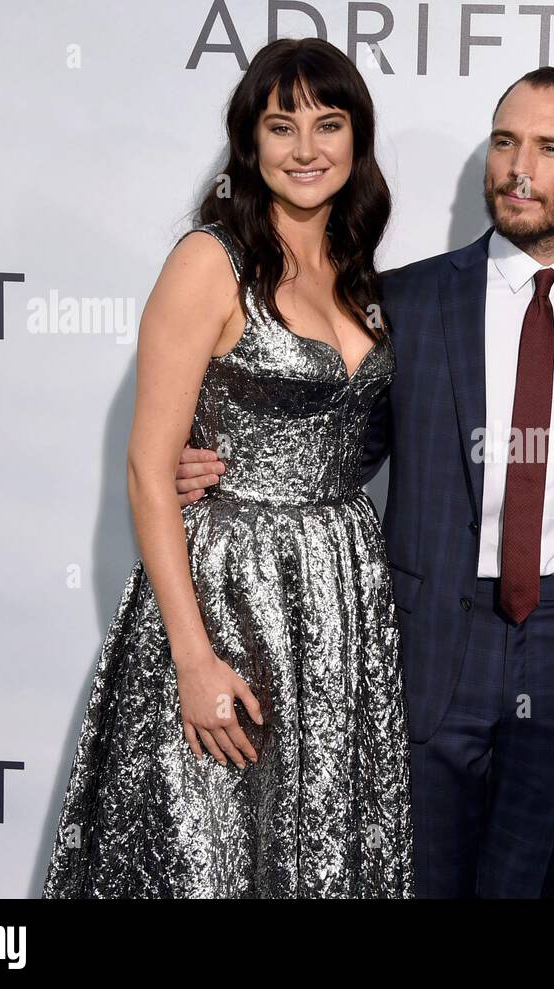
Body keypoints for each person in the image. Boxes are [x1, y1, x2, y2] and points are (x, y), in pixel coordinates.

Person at [177, 67, 554, 898]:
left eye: (550, 147)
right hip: (427, 638)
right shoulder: (401, 301)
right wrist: (209, 458)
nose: (519, 167)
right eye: (505, 141)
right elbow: (338, 446)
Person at [42, 38, 413, 898]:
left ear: (357, 139)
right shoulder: (209, 262)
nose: (307, 148)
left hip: (340, 596)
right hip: (229, 589)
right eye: (281, 127)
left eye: (329, 124)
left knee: (315, 839)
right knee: (210, 844)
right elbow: (147, 466)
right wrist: (193, 658)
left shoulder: (355, 268)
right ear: (250, 143)